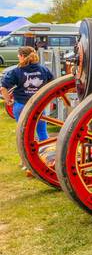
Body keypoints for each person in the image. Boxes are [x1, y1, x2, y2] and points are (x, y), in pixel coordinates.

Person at [2, 45, 53, 174]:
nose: (18, 57)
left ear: (23, 57)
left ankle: (25, 162)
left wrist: (8, 100)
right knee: (42, 133)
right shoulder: (43, 69)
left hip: (21, 106)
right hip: (38, 106)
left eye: (19, 55)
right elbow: (51, 84)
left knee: (24, 135)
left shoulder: (16, 71)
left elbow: (3, 87)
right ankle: (46, 160)